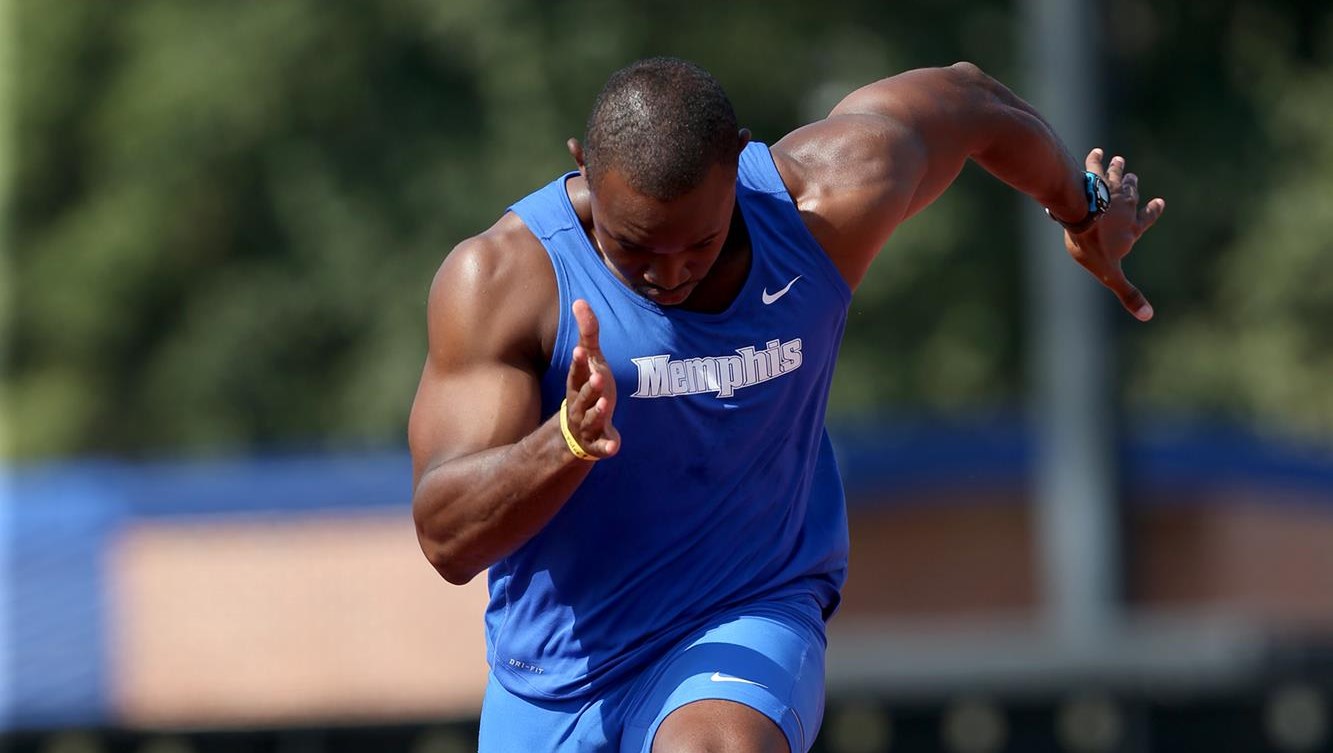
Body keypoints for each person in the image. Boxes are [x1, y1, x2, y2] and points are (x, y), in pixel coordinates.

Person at [408, 57, 1164, 753]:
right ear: (583, 166)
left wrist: (1084, 209)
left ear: (738, 163)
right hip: (553, 678)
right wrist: (563, 440)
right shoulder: (504, 280)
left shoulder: (826, 205)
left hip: (748, 606)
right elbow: (446, 537)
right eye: (633, 247)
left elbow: (969, 101)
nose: (667, 275)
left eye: (696, 244)